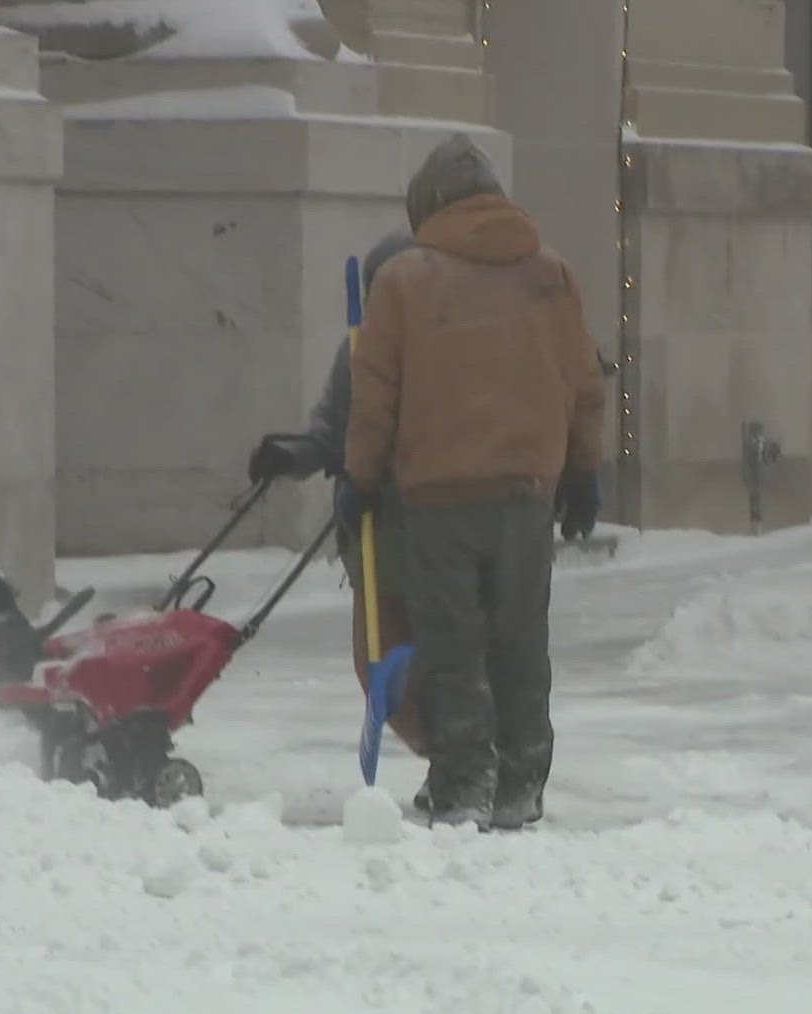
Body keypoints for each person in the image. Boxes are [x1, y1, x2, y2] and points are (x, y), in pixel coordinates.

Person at [342, 133, 606, 830]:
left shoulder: (405, 280)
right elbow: (584, 381)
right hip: (526, 496)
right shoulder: (551, 274)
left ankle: (465, 781)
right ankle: (523, 781)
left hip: (438, 500)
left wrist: (361, 478)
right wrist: (584, 470)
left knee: (451, 648)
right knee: (521, 641)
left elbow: (376, 395)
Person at [245, 232, 434, 805]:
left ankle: (456, 762)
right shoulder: (356, 352)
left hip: (434, 538)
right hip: (373, 546)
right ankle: (441, 754)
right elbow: (331, 430)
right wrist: (294, 454)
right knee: (379, 668)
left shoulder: (449, 354)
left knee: (443, 667)